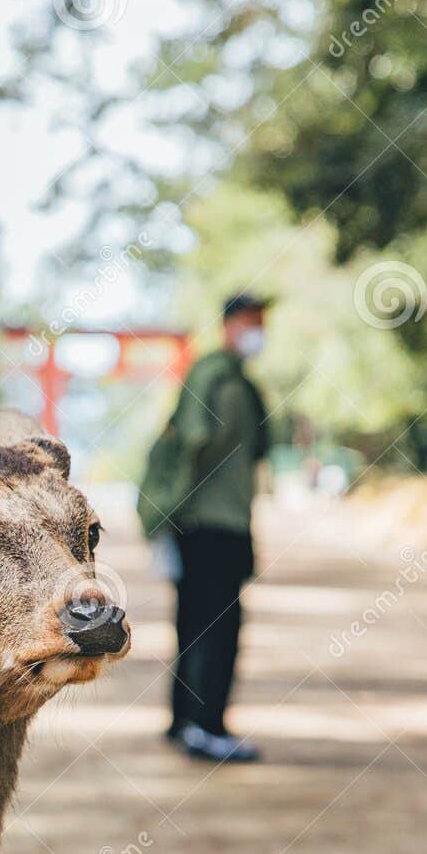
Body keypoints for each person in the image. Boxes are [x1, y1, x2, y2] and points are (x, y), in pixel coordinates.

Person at [138, 293, 271, 763]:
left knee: (193, 625)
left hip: (198, 524)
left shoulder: (210, 374)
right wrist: (172, 514)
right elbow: (199, 448)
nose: (260, 331)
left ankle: (184, 722)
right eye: (254, 321)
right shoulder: (225, 381)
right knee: (217, 629)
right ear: (232, 324)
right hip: (214, 525)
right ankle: (207, 727)